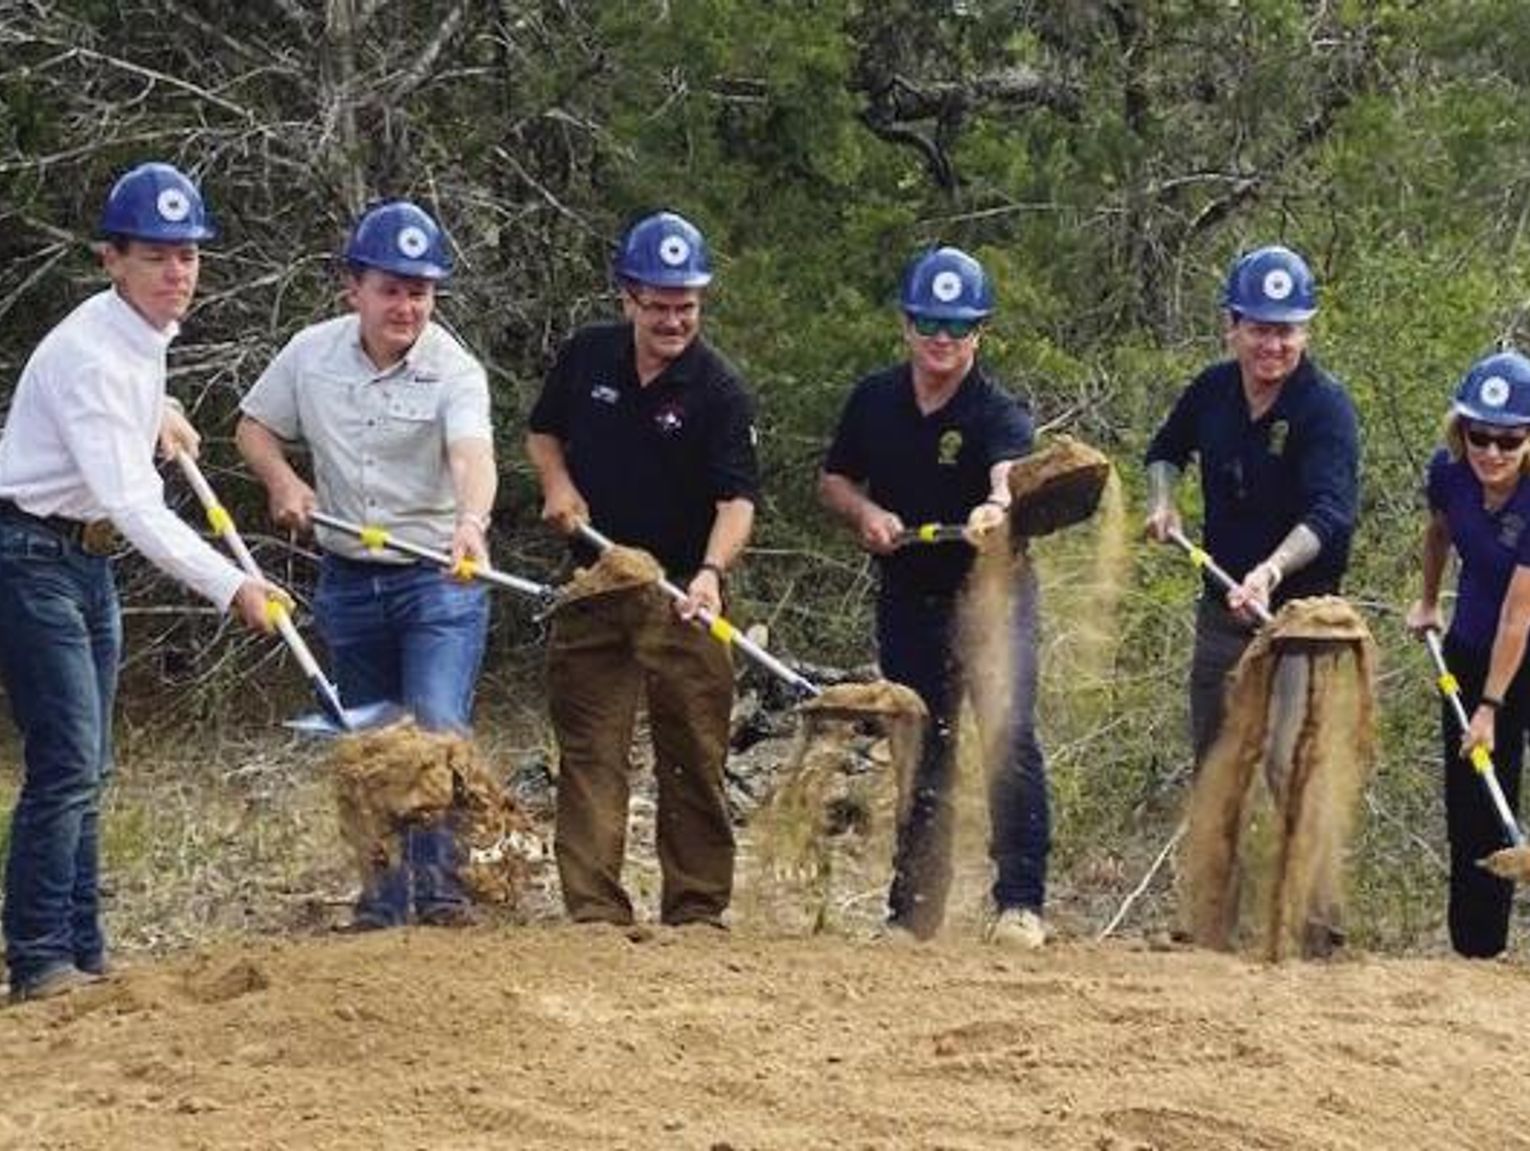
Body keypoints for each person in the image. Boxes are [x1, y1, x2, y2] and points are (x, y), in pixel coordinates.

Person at [0, 161, 282, 1003]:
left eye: (189, 255)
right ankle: (41, 956)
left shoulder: (138, 335)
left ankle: (83, 952)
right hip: (29, 554)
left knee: (94, 763)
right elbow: (131, 500)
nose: (177, 272)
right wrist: (232, 584)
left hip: (80, 559)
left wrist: (157, 412)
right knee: (66, 764)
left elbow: (126, 423)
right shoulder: (95, 355)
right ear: (110, 259)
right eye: (157, 256)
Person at [236, 199, 496, 930]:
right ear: (354, 288)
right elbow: (253, 428)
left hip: (436, 577)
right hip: (347, 576)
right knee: (370, 739)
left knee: (437, 727)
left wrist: (471, 522)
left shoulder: (455, 369)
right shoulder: (309, 352)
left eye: (420, 290)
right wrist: (283, 481)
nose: (406, 305)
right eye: (391, 287)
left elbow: (473, 455)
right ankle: (382, 901)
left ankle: (441, 894)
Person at [526, 210, 758, 929]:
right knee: (592, 748)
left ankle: (695, 908)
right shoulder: (586, 358)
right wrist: (557, 485)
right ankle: (595, 909)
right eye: (657, 305)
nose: (672, 321)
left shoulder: (719, 389)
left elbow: (738, 500)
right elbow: (543, 434)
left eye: (685, 306)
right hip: (596, 585)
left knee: (692, 749)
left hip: (683, 591)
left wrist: (712, 573)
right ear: (627, 297)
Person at [819, 246, 1049, 947]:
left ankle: (1020, 902)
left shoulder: (996, 410)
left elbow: (1009, 475)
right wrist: (866, 515)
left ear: (979, 331)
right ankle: (914, 908)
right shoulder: (874, 398)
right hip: (908, 597)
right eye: (928, 322)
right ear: (906, 325)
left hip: (991, 602)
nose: (942, 339)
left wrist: (995, 506)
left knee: (1006, 739)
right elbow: (834, 478)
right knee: (922, 747)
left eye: (957, 325)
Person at [1144, 245, 1360, 763]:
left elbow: (1331, 511)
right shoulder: (1212, 389)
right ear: (1233, 326)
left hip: (1300, 617)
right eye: (1260, 329)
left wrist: (1271, 570)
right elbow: (1165, 451)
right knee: (1217, 761)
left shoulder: (1326, 408)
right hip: (1222, 607)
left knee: (1291, 764)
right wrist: (1163, 500)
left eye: (1286, 331)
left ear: (1305, 332)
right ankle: (1217, 847)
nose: (1273, 344)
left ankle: (1297, 847)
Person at [1406, 350, 1530, 958]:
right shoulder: (1448, 473)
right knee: (1473, 796)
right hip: (1470, 644)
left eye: (1510, 440)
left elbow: (1520, 614)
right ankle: (1475, 951)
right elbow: (1438, 531)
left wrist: (1490, 709)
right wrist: (1428, 601)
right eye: (1479, 434)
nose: (1493, 452)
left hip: (1519, 650)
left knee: (1501, 762)